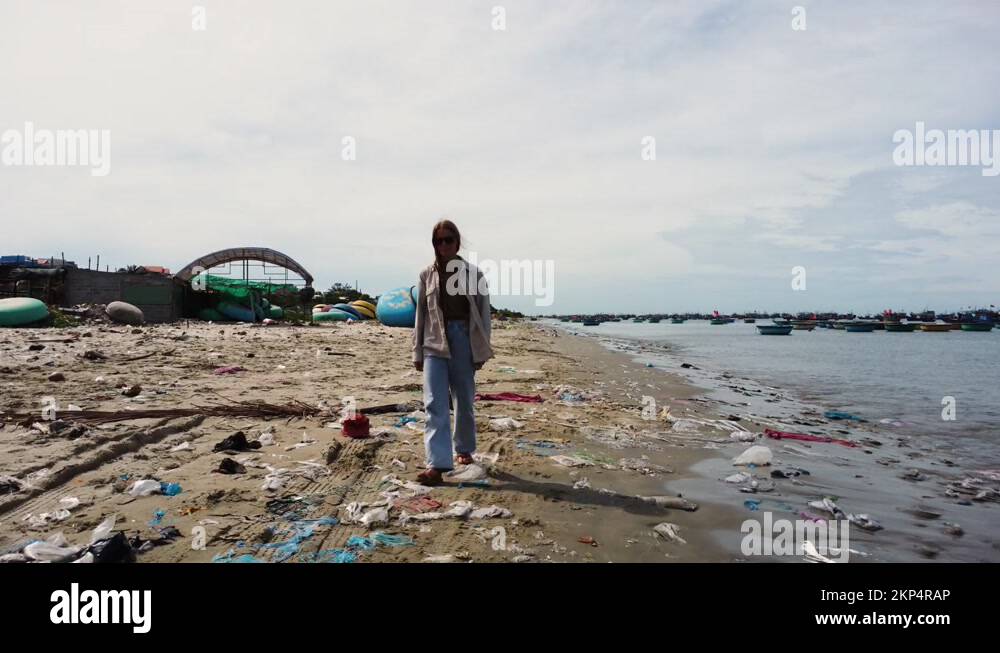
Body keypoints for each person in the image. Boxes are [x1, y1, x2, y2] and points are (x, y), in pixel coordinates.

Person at [412, 220, 493, 485]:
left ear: (457, 242)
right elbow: (420, 315)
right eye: (439, 241)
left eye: (448, 239)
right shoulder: (427, 274)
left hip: (463, 339)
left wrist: (480, 350)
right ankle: (437, 464)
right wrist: (417, 352)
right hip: (434, 340)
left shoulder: (474, 274)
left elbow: (483, 314)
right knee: (434, 402)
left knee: (464, 400)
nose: (444, 245)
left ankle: (464, 450)